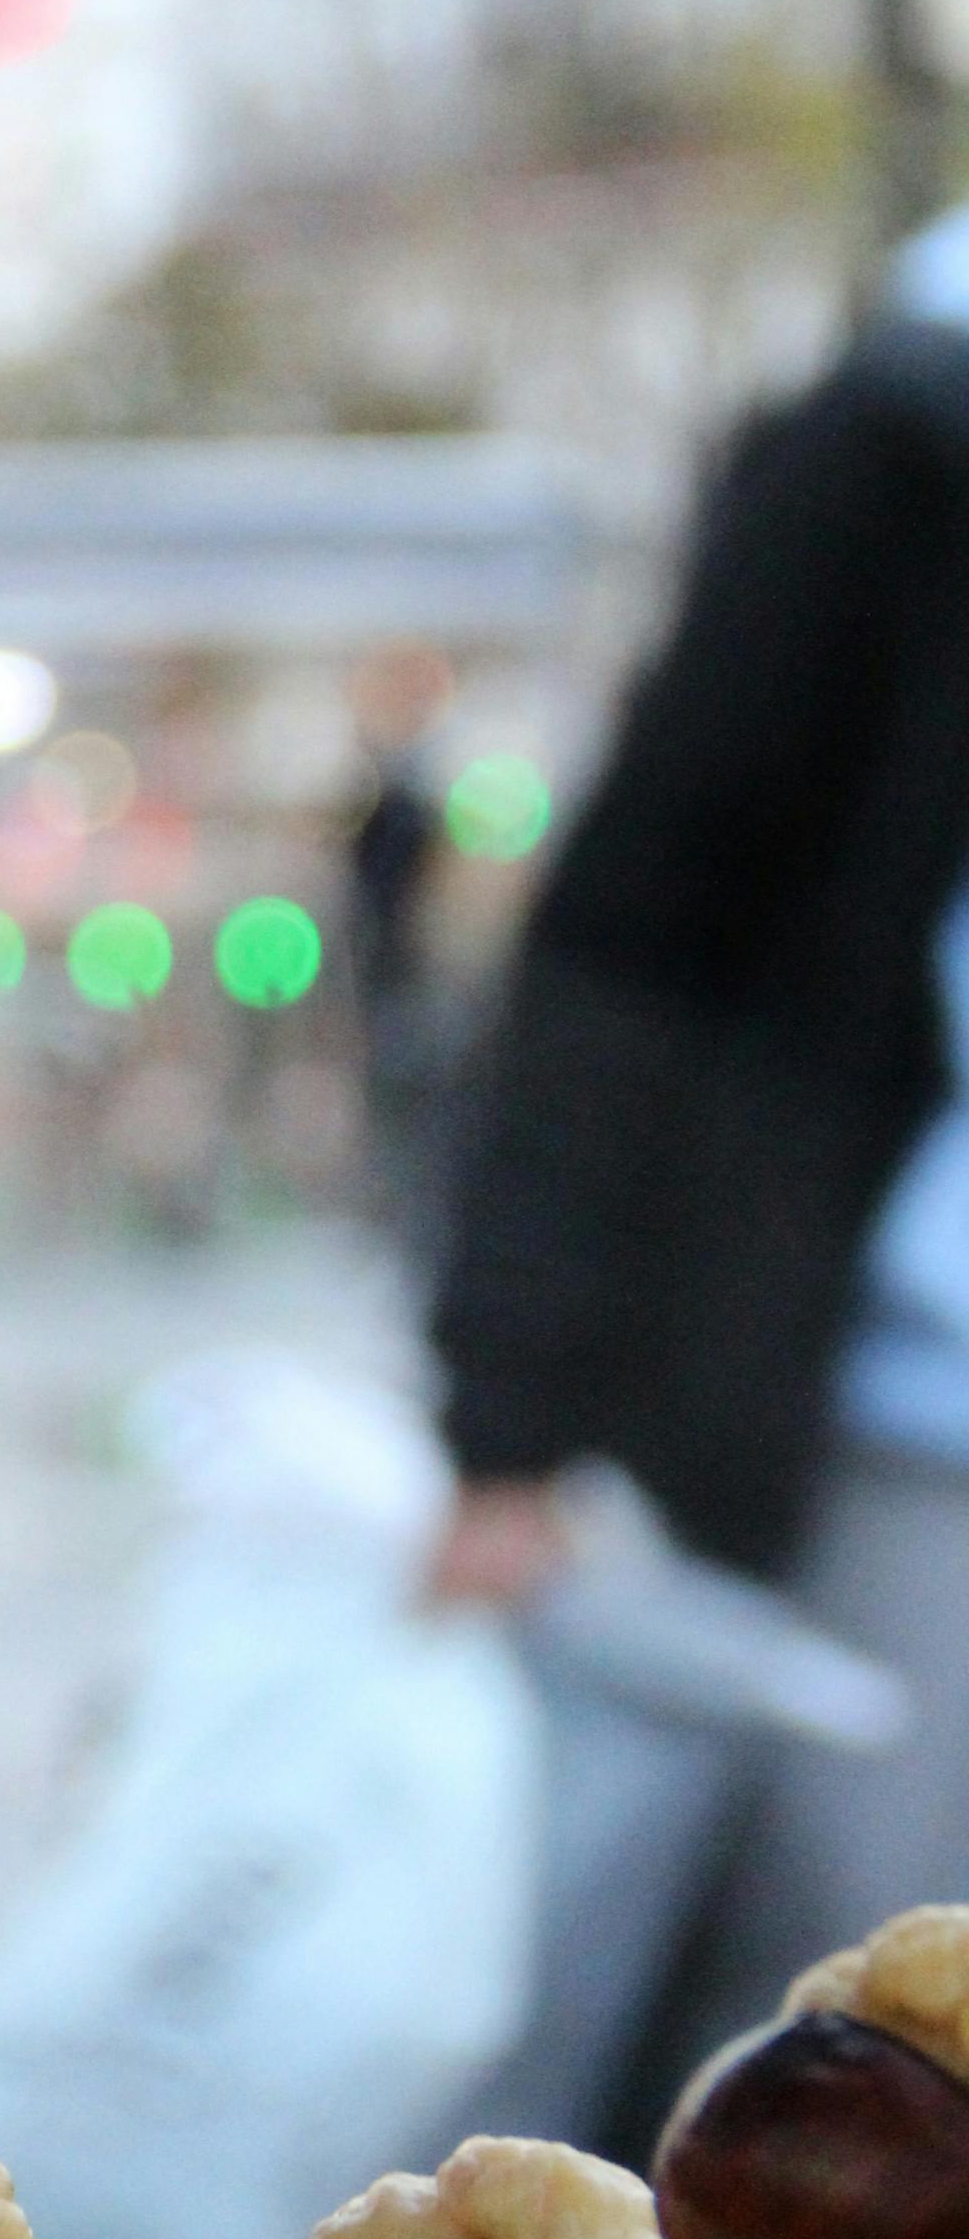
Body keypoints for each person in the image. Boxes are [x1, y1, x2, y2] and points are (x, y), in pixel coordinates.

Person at [430, 271, 969, 2024]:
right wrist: (508, 1425)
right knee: (850, 2041)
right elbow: (634, 937)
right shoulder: (903, 442)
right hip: (891, 1438)